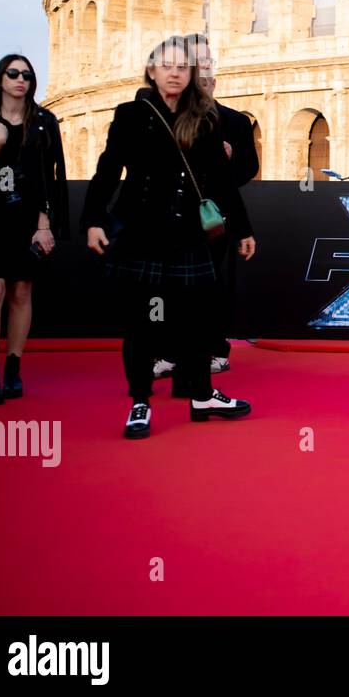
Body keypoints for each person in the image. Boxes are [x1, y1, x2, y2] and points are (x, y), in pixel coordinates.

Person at [82, 36, 257, 439]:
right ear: (152, 70)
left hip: (190, 236)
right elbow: (108, 170)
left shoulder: (205, 118)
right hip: (142, 234)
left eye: (183, 66)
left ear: (191, 73)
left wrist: (243, 229)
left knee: (197, 320)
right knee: (143, 323)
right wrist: (93, 219)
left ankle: (201, 395)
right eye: (167, 65)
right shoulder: (131, 114)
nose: (175, 72)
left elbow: (222, 183)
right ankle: (140, 401)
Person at [151, 33, 258, 389]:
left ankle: (215, 350)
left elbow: (247, 169)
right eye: (200, 69)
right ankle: (171, 352)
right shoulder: (166, 116)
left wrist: (227, 161)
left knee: (207, 285)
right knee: (172, 285)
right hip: (172, 215)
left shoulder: (236, 121)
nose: (205, 76)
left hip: (214, 217)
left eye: (210, 70)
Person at [0, 55, 68, 405]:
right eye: (13, 73)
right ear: (1, 78)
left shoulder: (44, 122)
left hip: (28, 218)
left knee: (21, 293)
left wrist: (45, 224)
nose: (21, 79)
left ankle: (14, 368)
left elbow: (50, 179)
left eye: (27, 75)